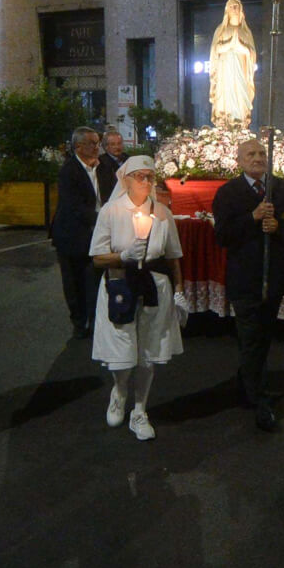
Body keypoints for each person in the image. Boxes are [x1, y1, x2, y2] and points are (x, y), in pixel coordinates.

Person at [212, 137, 284, 432]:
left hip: (275, 277)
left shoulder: (281, 189)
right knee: (251, 336)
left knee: (262, 336)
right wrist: (252, 218)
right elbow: (222, 236)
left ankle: (247, 385)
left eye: (260, 153)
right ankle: (260, 400)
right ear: (239, 160)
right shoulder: (228, 193)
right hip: (245, 278)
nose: (257, 158)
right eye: (250, 154)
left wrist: (279, 227)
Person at [89, 156, 184, 441]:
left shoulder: (163, 213)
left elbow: (173, 256)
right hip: (121, 285)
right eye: (139, 176)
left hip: (155, 286)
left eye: (150, 177)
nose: (145, 182)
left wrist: (179, 291)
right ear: (126, 179)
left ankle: (140, 409)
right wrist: (123, 256)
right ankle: (119, 391)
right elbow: (96, 257)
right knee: (123, 348)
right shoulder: (111, 211)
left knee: (148, 352)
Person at [50, 126, 117, 337]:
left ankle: (97, 320)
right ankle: (79, 322)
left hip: (98, 233)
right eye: (91, 143)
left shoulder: (105, 167)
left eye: (98, 143)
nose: (97, 147)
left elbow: (114, 193)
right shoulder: (69, 171)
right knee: (74, 281)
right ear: (78, 146)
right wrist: (103, 220)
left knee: (97, 278)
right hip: (73, 235)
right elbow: (74, 206)